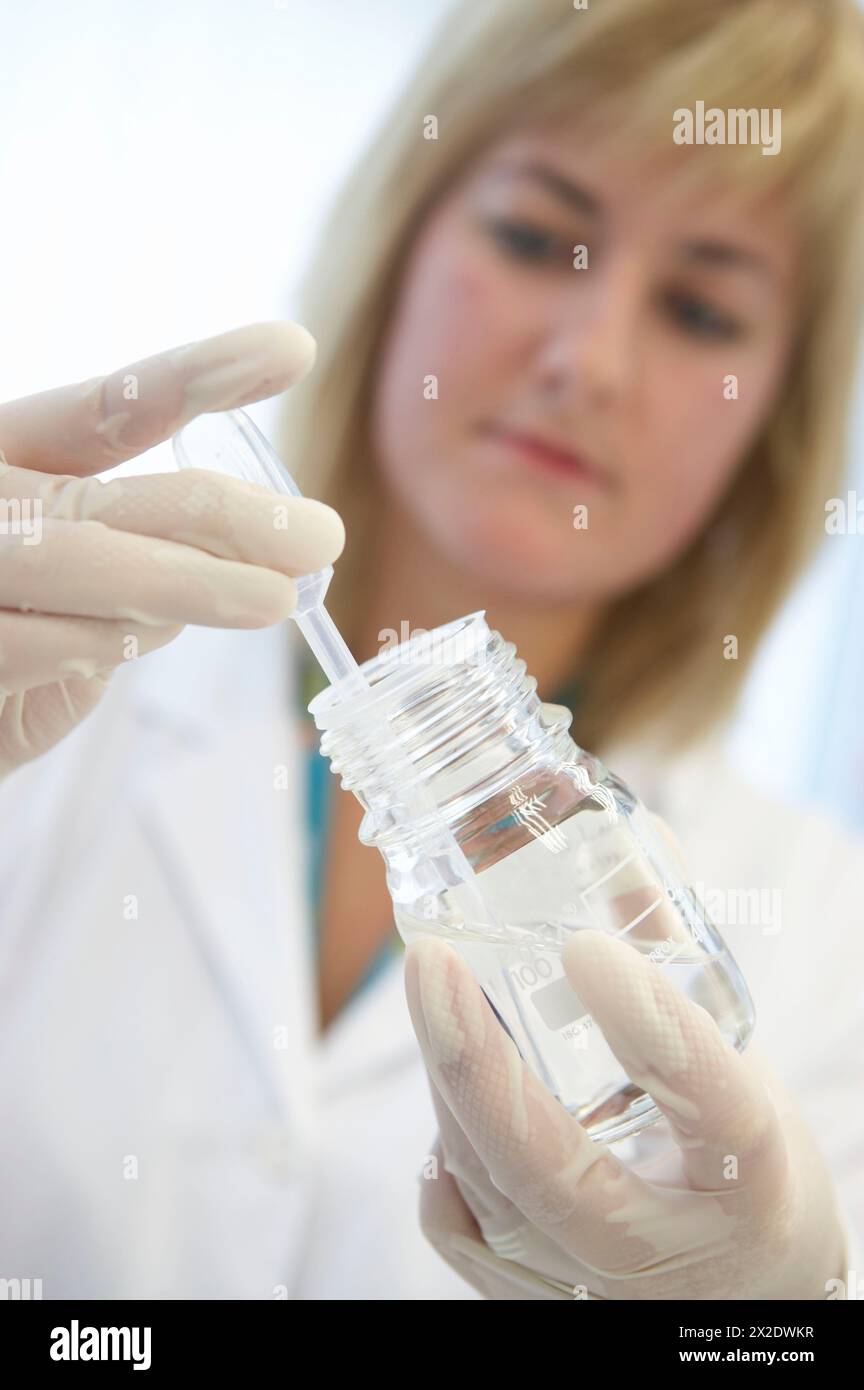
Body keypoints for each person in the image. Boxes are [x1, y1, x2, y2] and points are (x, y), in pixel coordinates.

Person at [1, 0, 863, 1300]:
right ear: (401, 236)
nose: (591, 359)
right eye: (535, 237)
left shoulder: (819, 929)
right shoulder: (52, 701)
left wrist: (767, 1327)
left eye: (700, 310)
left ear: (777, 418)